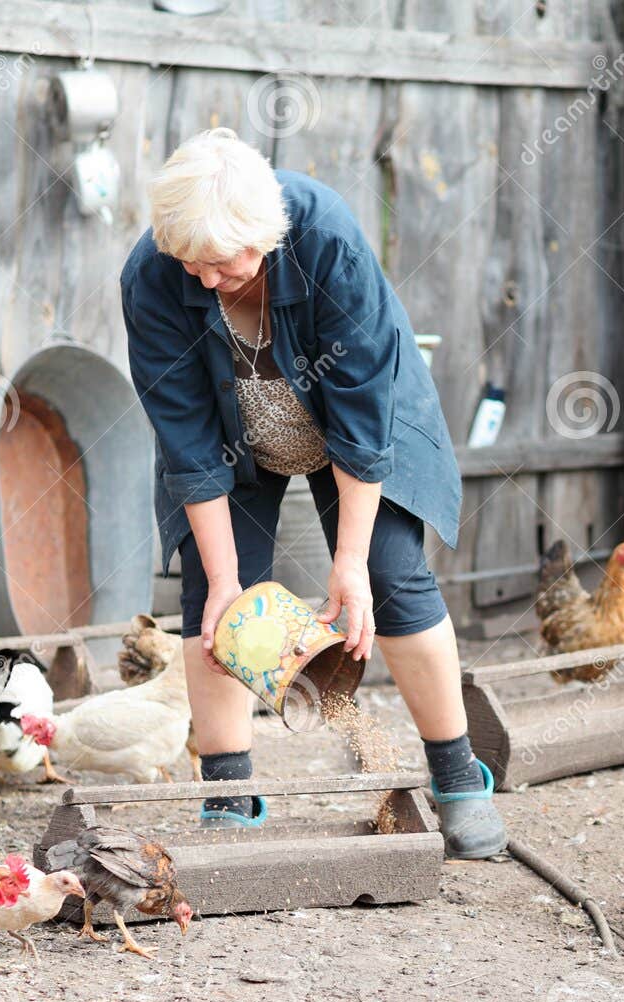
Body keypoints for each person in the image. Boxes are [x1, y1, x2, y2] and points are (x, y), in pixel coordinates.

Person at [120, 128, 505, 859]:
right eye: (190, 265)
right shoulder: (153, 275)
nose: (205, 280)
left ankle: (458, 778)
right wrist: (229, 580)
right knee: (213, 594)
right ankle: (227, 796)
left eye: (223, 263)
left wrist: (350, 561)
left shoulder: (326, 238)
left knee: (392, 578)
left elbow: (363, 417)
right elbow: (187, 438)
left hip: (348, 421)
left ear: (263, 236)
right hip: (232, 428)